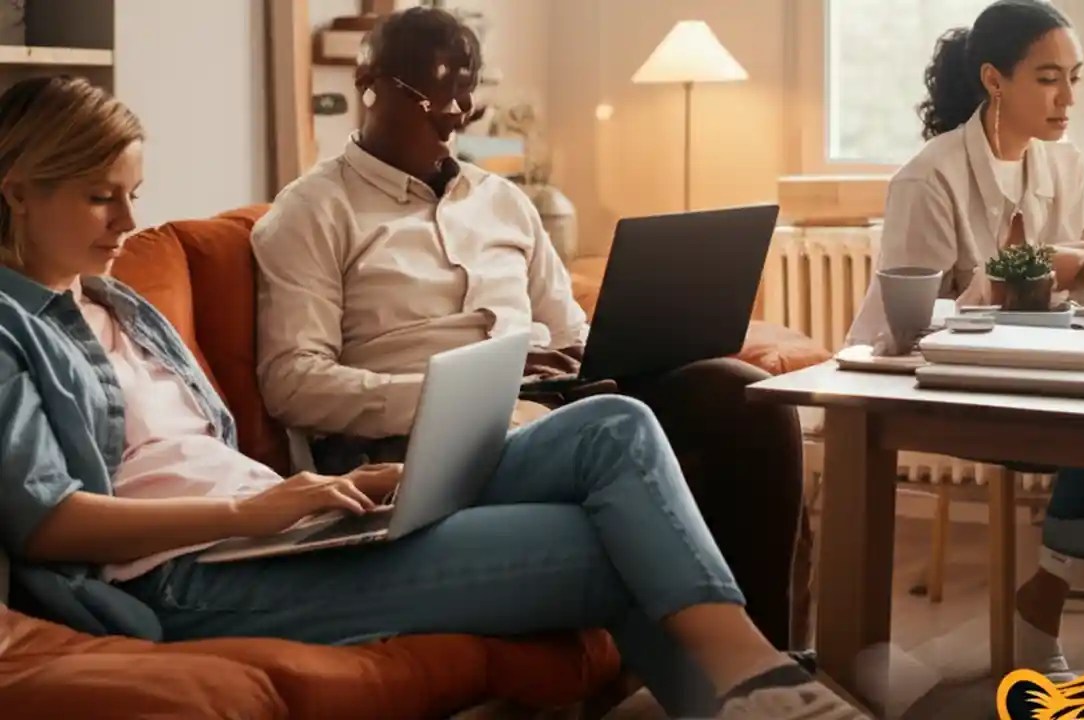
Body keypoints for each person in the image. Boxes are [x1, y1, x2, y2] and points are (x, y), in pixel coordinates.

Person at [0, 76, 866, 719]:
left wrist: (321, 497)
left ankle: (758, 679)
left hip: (284, 526)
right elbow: (49, 523)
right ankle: (764, 694)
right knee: (608, 539)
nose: (123, 221)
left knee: (615, 424)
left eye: (132, 197)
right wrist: (252, 512)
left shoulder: (122, 305)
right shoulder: (9, 329)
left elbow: (201, 452)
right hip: (192, 576)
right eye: (98, 197)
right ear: (17, 194)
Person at [250, 6, 804, 653]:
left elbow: (564, 323)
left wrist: (581, 353)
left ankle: (775, 651)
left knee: (744, 396)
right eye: (433, 98)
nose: (454, 119)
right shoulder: (312, 212)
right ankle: (740, 663)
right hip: (417, 441)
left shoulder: (503, 200)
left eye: (467, 100)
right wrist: (450, 391)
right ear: (368, 84)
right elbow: (291, 383)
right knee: (614, 427)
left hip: (546, 406)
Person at [847, 0, 1084, 681]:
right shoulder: (929, 175)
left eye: (1075, 77)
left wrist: (1081, 262)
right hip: (918, 384)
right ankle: (1039, 614)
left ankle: (1044, 597)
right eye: (1047, 78)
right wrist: (1027, 274)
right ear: (995, 81)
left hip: (1032, 370)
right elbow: (910, 328)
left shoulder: (1063, 165)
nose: (1067, 98)